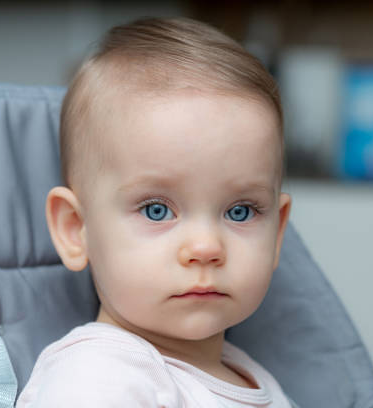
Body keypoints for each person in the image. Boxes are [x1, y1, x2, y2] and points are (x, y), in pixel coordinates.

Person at [16, 16, 293, 407]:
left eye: (240, 212)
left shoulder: (250, 376)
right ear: (76, 229)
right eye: (158, 210)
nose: (205, 247)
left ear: (278, 232)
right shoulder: (97, 377)